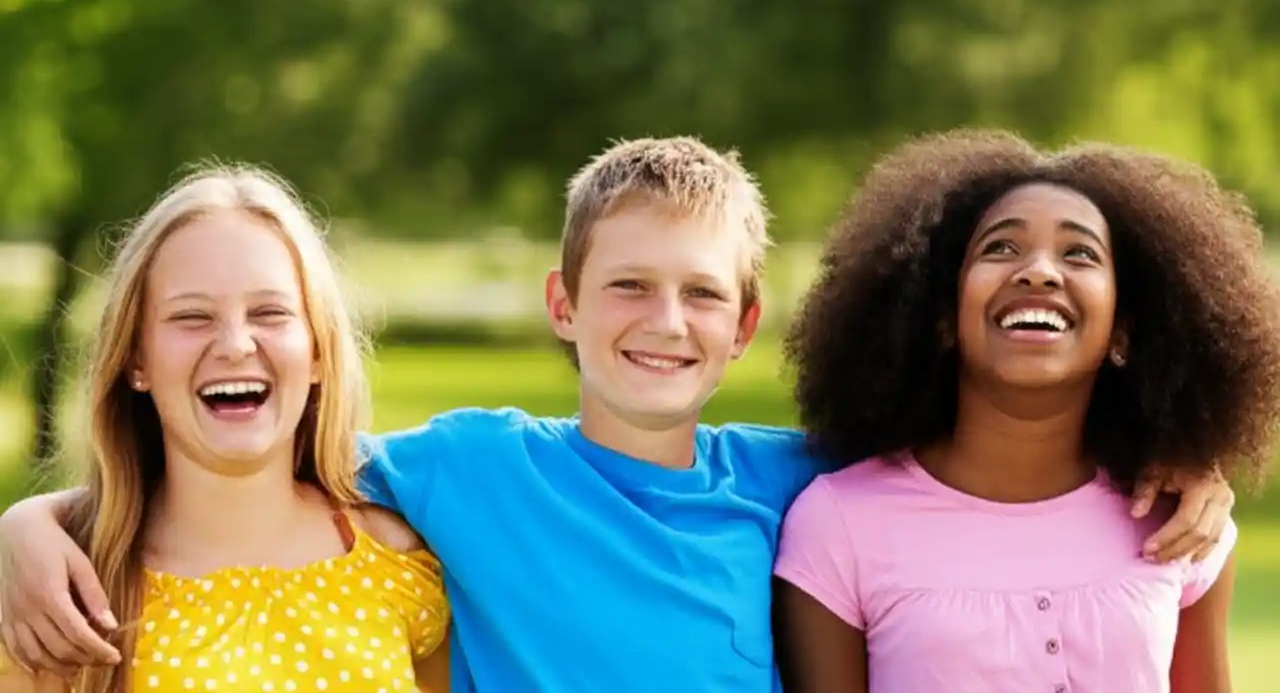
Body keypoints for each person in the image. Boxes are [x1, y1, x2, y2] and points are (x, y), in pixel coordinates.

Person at [0, 138, 1236, 692]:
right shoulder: (473, 468)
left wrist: (1176, 465)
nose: (665, 321)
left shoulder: (803, 482)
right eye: (628, 287)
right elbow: (255, 450)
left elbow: (992, 476)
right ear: (562, 303)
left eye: (702, 294)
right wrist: (38, 518)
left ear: (744, 325)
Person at [773, 130, 1280, 693]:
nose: (1039, 271)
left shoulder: (1183, 524)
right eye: (1001, 248)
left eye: (1080, 253)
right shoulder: (839, 525)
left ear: (1123, 334)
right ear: (942, 317)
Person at [0, 166, 449, 691]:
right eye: (192, 317)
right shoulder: (63, 595)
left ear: (319, 353)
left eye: (269, 312)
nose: (236, 344)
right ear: (135, 359)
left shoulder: (399, 563)